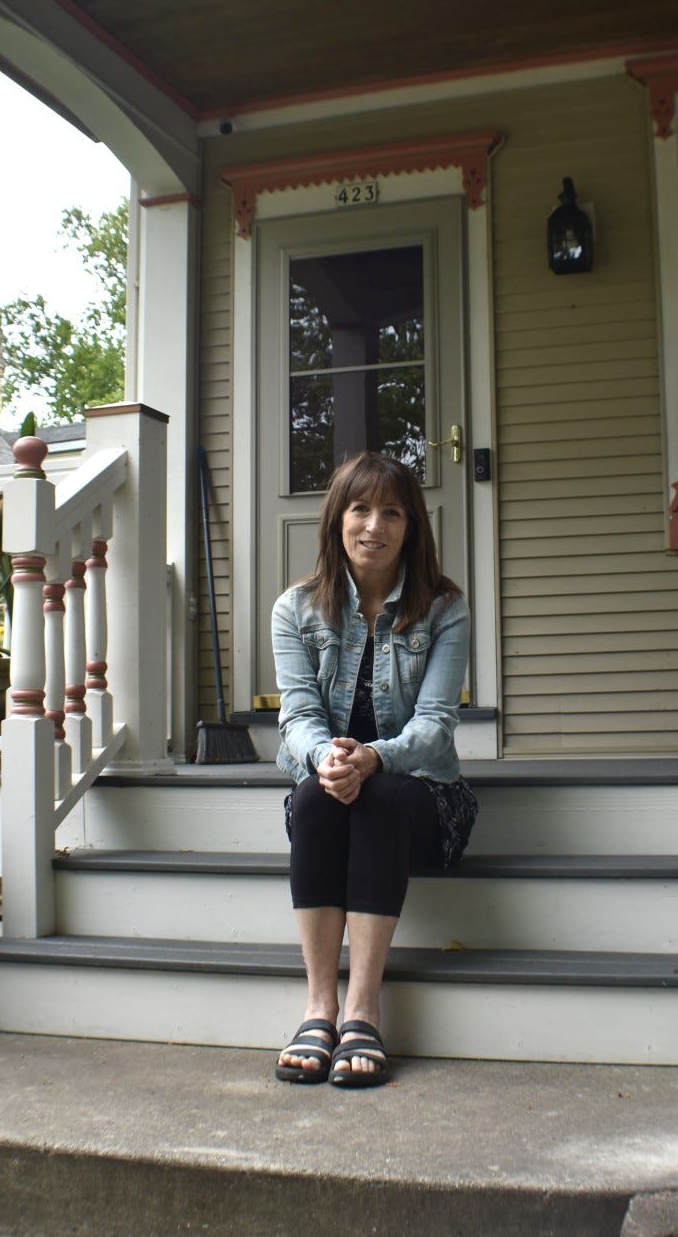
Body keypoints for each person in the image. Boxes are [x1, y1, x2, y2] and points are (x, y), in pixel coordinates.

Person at [270, 451, 477, 1088]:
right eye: (360, 509)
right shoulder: (295, 609)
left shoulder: (444, 608)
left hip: (424, 799)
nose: (373, 526)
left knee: (380, 795)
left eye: (392, 513)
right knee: (314, 796)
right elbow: (297, 716)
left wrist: (374, 757)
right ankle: (319, 1009)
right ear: (337, 519)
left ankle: (362, 1009)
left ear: (411, 526)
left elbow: (435, 723)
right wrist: (328, 758)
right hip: (333, 794)